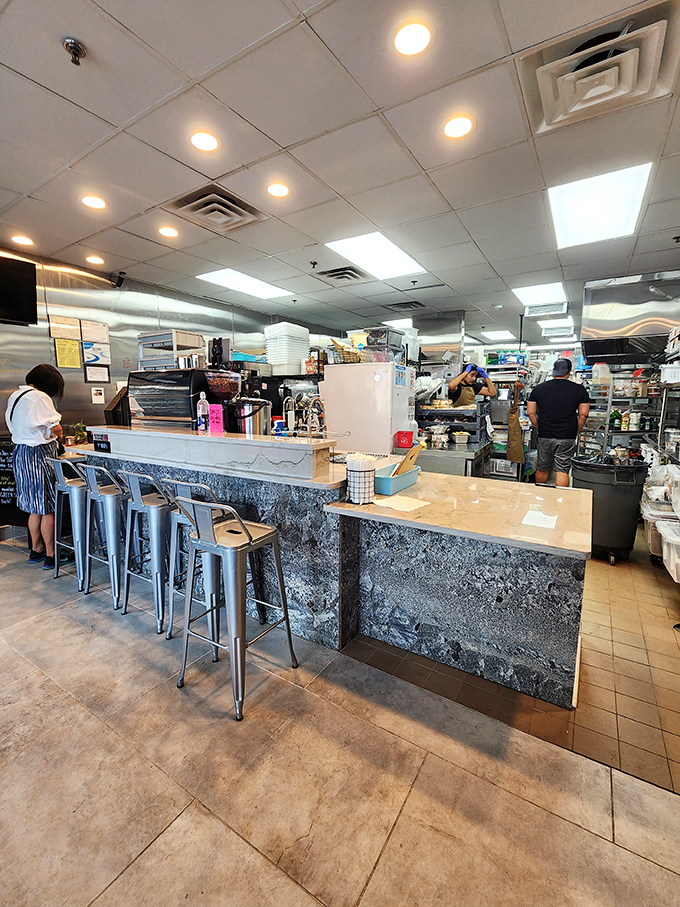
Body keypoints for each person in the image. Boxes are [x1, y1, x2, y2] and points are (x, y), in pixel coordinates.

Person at [5, 364, 66, 568]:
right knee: (47, 507)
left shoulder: (16, 396)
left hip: (21, 453)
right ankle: (52, 555)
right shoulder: (39, 397)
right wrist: (60, 434)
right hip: (38, 454)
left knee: (34, 507)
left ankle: (36, 549)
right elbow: (55, 426)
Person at [527, 358, 590, 487]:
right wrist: (576, 430)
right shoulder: (579, 390)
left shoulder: (539, 389)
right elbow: (584, 414)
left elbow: (530, 412)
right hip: (567, 435)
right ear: (569, 372)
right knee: (562, 470)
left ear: (553, 371)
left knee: (542, 468)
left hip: (545, 434)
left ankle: (539, 497)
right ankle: (561, 503)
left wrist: (539, 426)